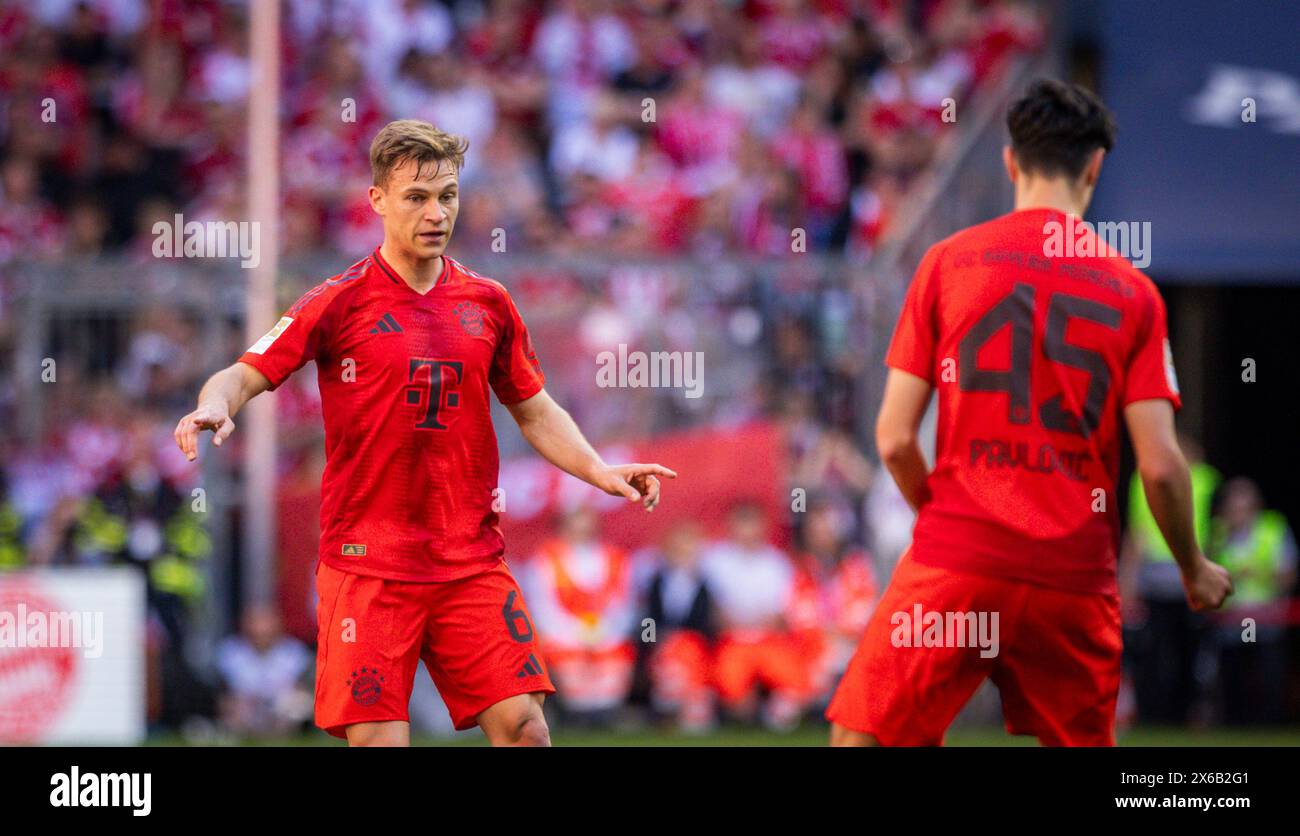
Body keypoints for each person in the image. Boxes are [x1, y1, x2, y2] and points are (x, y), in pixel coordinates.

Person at [174, 120, 676, 747]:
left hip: (469, 561)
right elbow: (244, 373)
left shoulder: (488, 302)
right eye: (417, 197)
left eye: (448, 195)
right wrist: (216, 406)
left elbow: (534, 409)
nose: (436, 212)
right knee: (381, 742)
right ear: (378, 200)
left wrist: (598, 469)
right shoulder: (337, 301)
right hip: (368, 566)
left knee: (526, 730)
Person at [827, 79, 1232, 747]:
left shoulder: (947, 263)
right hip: (1072, 576)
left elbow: (894, 439)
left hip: (957, 557)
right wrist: (1192, 567)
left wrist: (943, 520)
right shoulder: (1135, 293)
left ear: (1011, 161)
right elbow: (1161, 467)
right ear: (1095, 168)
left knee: (863, 738)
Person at [1119, 434, 1220, 725]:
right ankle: (1156, 715)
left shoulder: (1206, 479)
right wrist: (1128, 581)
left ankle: (1188, 712)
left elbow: (1217, 528)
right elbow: (1136, 533)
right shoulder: (1142, 478)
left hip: (1192, 574)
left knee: (1191, 650)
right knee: (1154, 650)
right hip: (1155, 578)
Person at [702, 501, 811, 731]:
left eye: (752, 524)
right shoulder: (713, 560)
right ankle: (740, 709)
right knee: (733, 694)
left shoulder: (777, 563)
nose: (747, 531)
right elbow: (713, 609)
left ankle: (775, 709)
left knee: (796, 683)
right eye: (742, 524)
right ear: (731, 526)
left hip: (768, 640)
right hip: (731, 641)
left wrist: (756, 621)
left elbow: (781, 613)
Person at [524, 506, 638, 724]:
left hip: (608, 636)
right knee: (571, 672)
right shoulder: (544, 560)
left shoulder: (616, 558)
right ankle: (571, 715)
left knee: (613, 667)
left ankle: (608, 713)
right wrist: (577, 634)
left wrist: (602, 632)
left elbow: (625, 605)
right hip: (562, 638)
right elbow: (542, 608)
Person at [1207, 478, 1296, 725]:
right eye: (1232, 506)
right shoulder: (1217, 532)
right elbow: (1206, 572)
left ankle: (1269, 723)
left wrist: (1261, 575)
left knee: (1267, 673)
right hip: (1230, 619)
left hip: (1264, 616)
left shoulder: (1272, 528)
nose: (1237, 513)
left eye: (1243, 506)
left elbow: (1288, 574)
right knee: (1233, 674)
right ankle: (1234, 723)